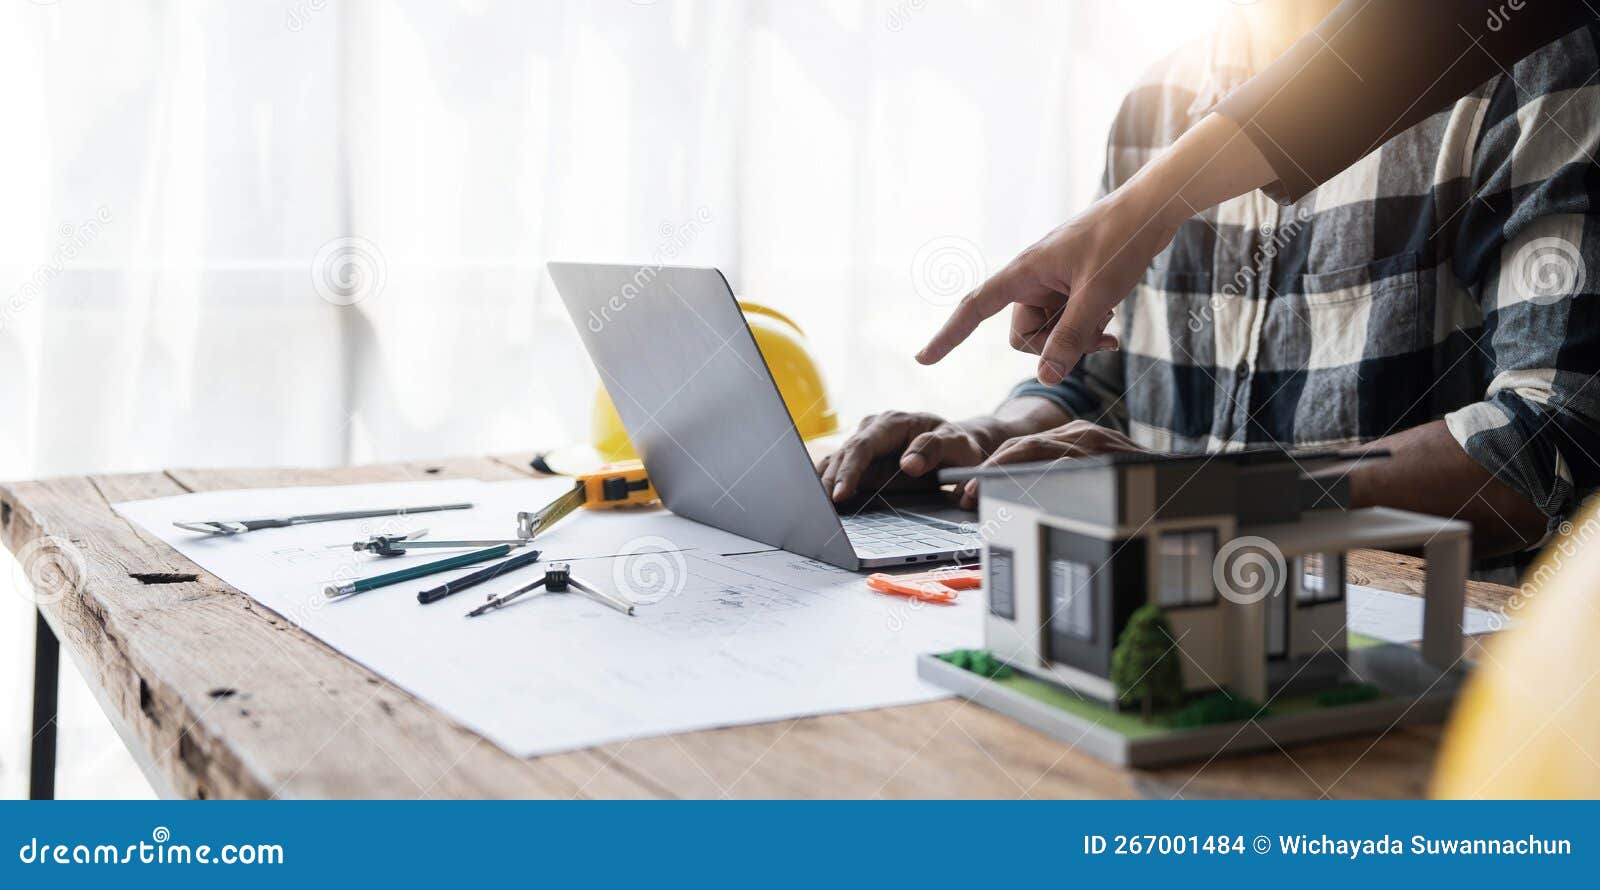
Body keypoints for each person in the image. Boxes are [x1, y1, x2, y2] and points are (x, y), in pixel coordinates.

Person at [821, 3, 1600, 570]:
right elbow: (1108, 384)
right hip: (1152, 634)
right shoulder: (1155, 101)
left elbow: (1538, 453)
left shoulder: (1539, 65)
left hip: (1406, 684)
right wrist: (985, 446)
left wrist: (1195, 496)